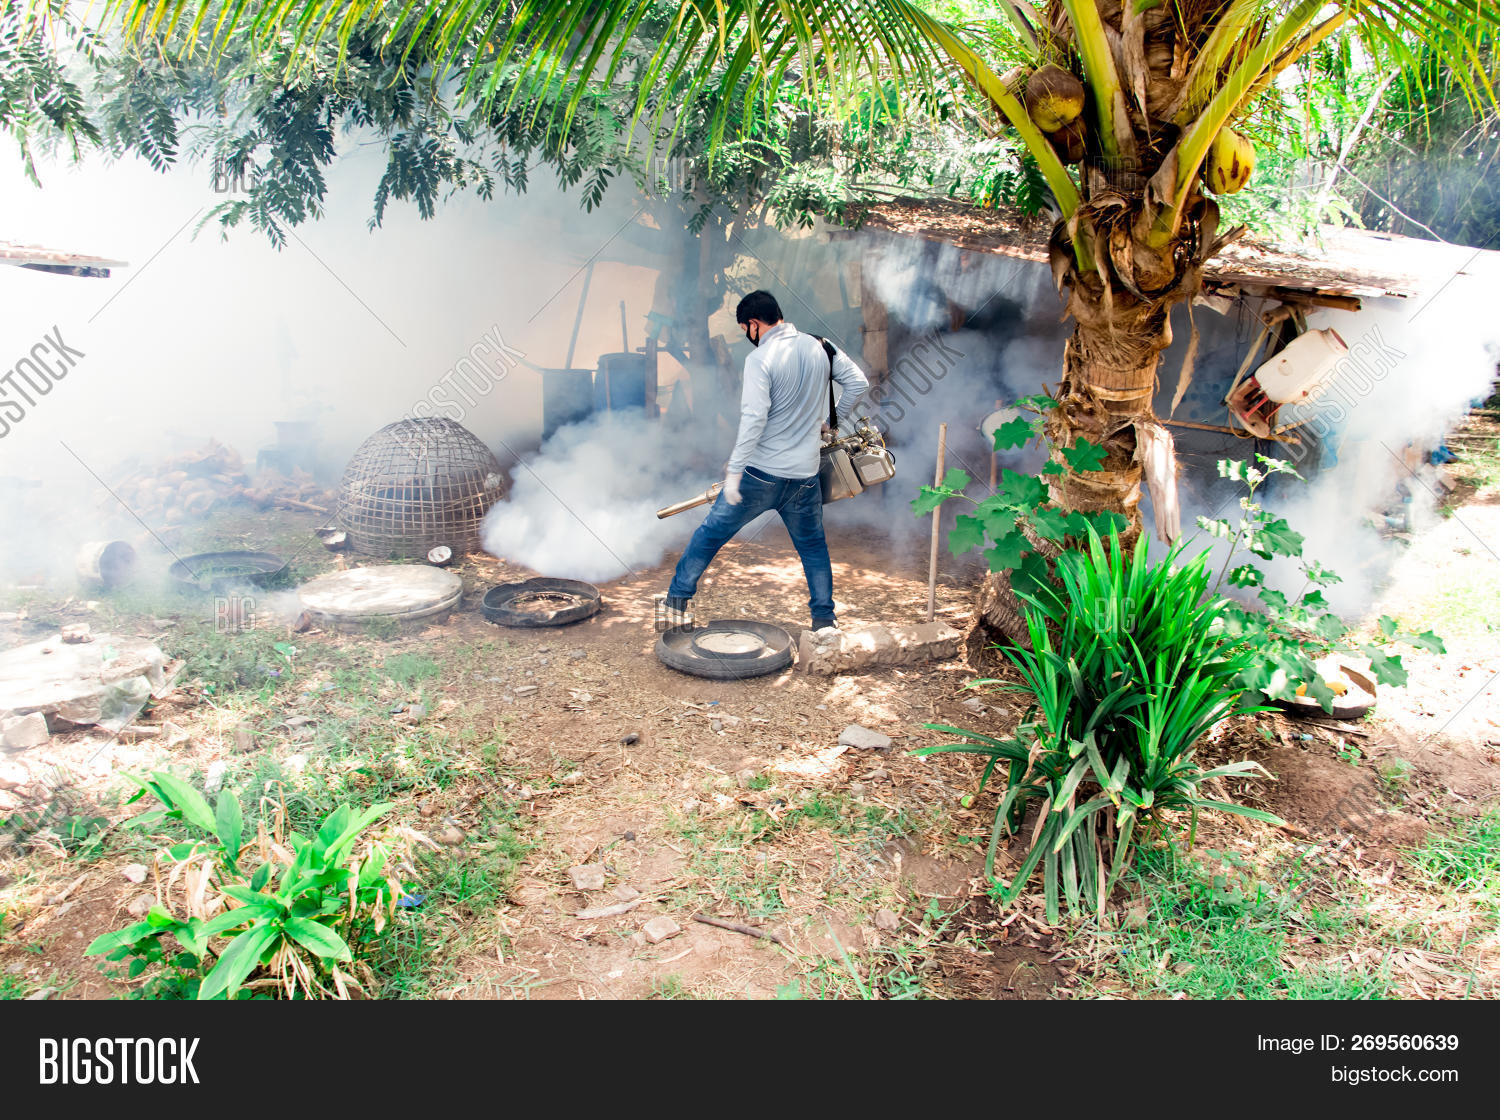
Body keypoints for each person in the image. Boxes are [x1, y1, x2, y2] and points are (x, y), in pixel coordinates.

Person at [662, 290, 869, 631]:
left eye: (745, 329)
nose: (747, 336)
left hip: (760, 475)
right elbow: (857, 383)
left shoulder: (760, 359)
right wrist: (832, 423)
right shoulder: (821, 346)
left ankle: (673, 609)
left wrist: (734, 469)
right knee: (813, 548)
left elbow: (754, 417)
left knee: (709, 535)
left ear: (754, 325)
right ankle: (824, 623)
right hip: (805, 476)